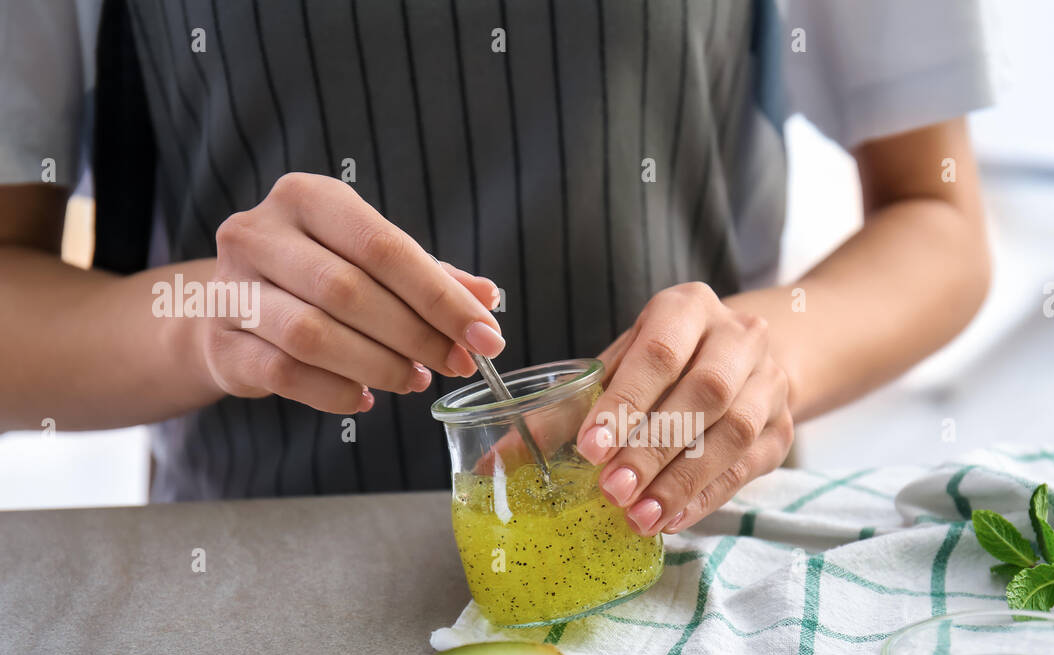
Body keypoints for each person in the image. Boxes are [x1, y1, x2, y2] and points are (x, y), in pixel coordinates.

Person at [0, 0, 992, 536]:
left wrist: (768, 357)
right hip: (254, 595)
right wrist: (207, 314)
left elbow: (936, 214)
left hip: (687, 563)